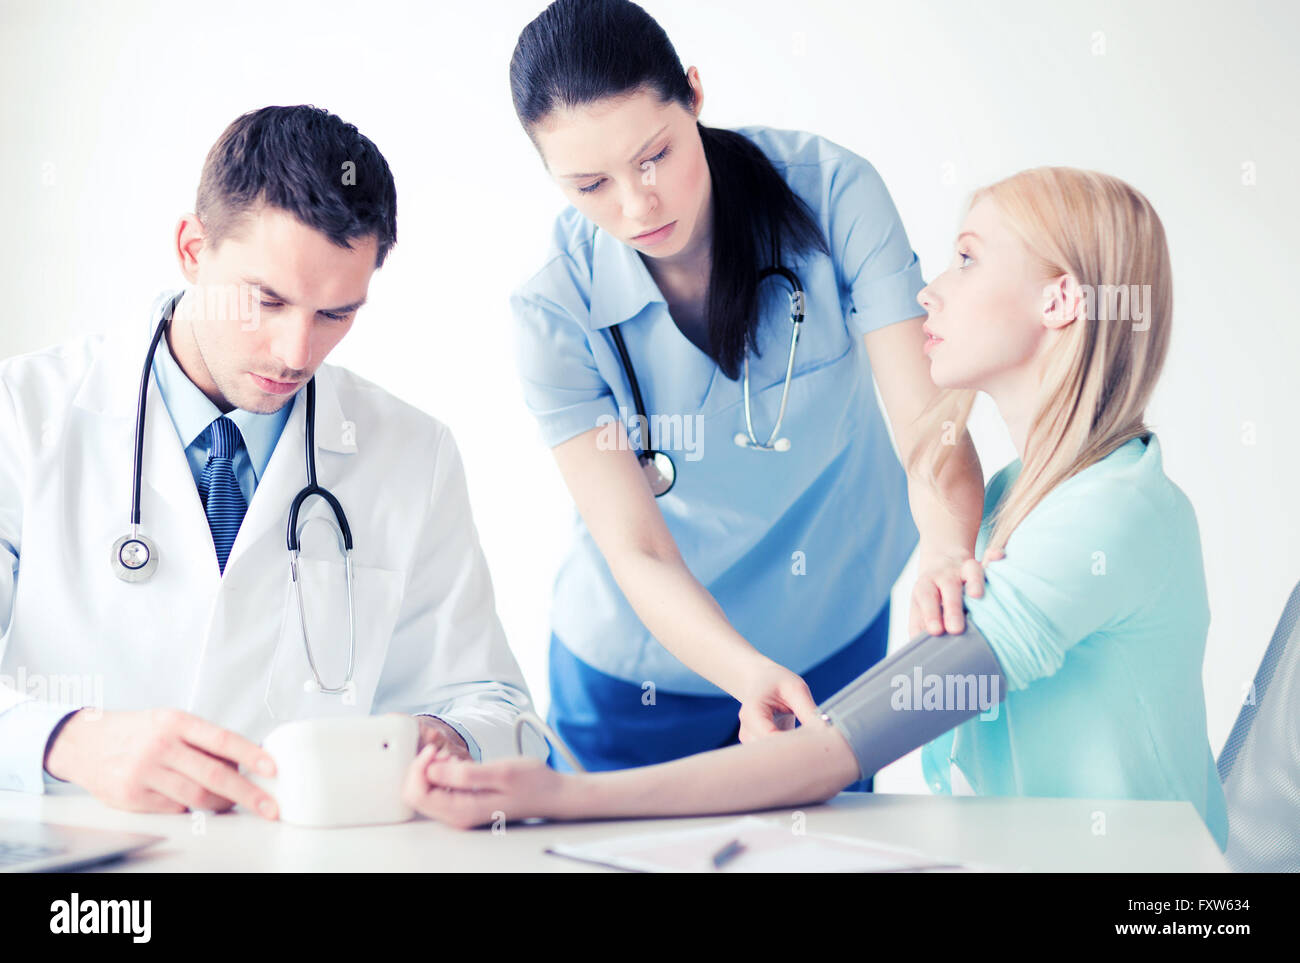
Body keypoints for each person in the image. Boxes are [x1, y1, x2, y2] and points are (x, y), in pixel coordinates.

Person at [404, 166, 1231, 853]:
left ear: (1058, 301)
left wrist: (558, 793)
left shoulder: (1108, 519)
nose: (930, 293)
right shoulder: (1019, 498)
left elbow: (841, 748)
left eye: (968, 260)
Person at [0, 105, 546, 817]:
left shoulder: (415, 455)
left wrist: (446, 738)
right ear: (193, 249)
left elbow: (499, 708)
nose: (297, 353)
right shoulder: (20, 416)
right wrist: (66, 739)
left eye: (336, 314)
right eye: (267, 300)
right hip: (82, 860)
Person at [505, 0, 986, 780]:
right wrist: (744, 671)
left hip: (832, 623)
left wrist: (945, 546)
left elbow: (927, 425)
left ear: (693, 94)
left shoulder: (833, 194)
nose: (636, 204)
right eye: (590, 184)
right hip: (640, 671)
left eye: (654, 154)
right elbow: (637, 547)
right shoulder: (554, 311)